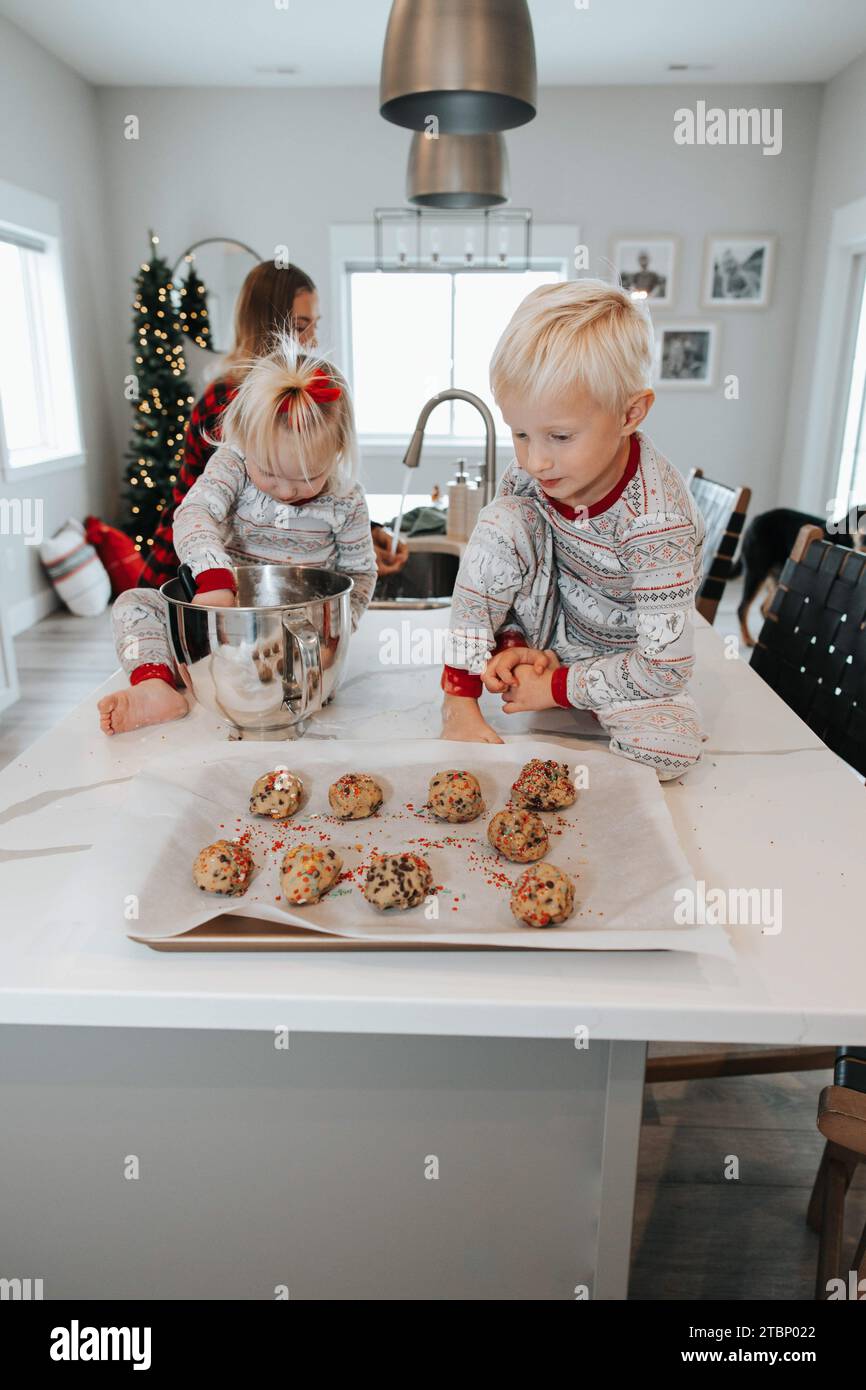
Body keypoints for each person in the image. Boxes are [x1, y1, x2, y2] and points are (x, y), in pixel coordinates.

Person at [440, 279, 706, 781]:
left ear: (631, 412)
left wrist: (560, 686)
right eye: (519, 432)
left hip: (628, 658)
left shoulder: (656, 522)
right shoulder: (534, 473)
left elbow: (666, 668)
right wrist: (514, 641)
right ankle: (455, 703)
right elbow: (507, 571)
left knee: (671, 749)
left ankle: (584, 701)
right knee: (501, 518)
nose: (535, 460)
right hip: (552, 632)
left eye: (560, 436)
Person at [99, 336, 376, 735]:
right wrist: (214, 579)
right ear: (244, 440)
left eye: (307, 478)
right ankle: (156, 687)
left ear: (338, 452)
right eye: (271, 474)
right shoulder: (232, 465)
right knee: (134, 603)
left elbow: (361, 573)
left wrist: (334, 634)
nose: (286, 491)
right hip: (223, 632)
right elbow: (193, 513)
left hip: (297, 649)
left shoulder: (346, 499)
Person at [138, 258, 407, 587]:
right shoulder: (235, 401)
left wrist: (365, 529)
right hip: (193, 566)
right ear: (268, 326)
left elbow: (292, 486)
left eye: (315, 325)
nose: (311, 340)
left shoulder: (290, 403)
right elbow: (253, 501)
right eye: (299, 326)